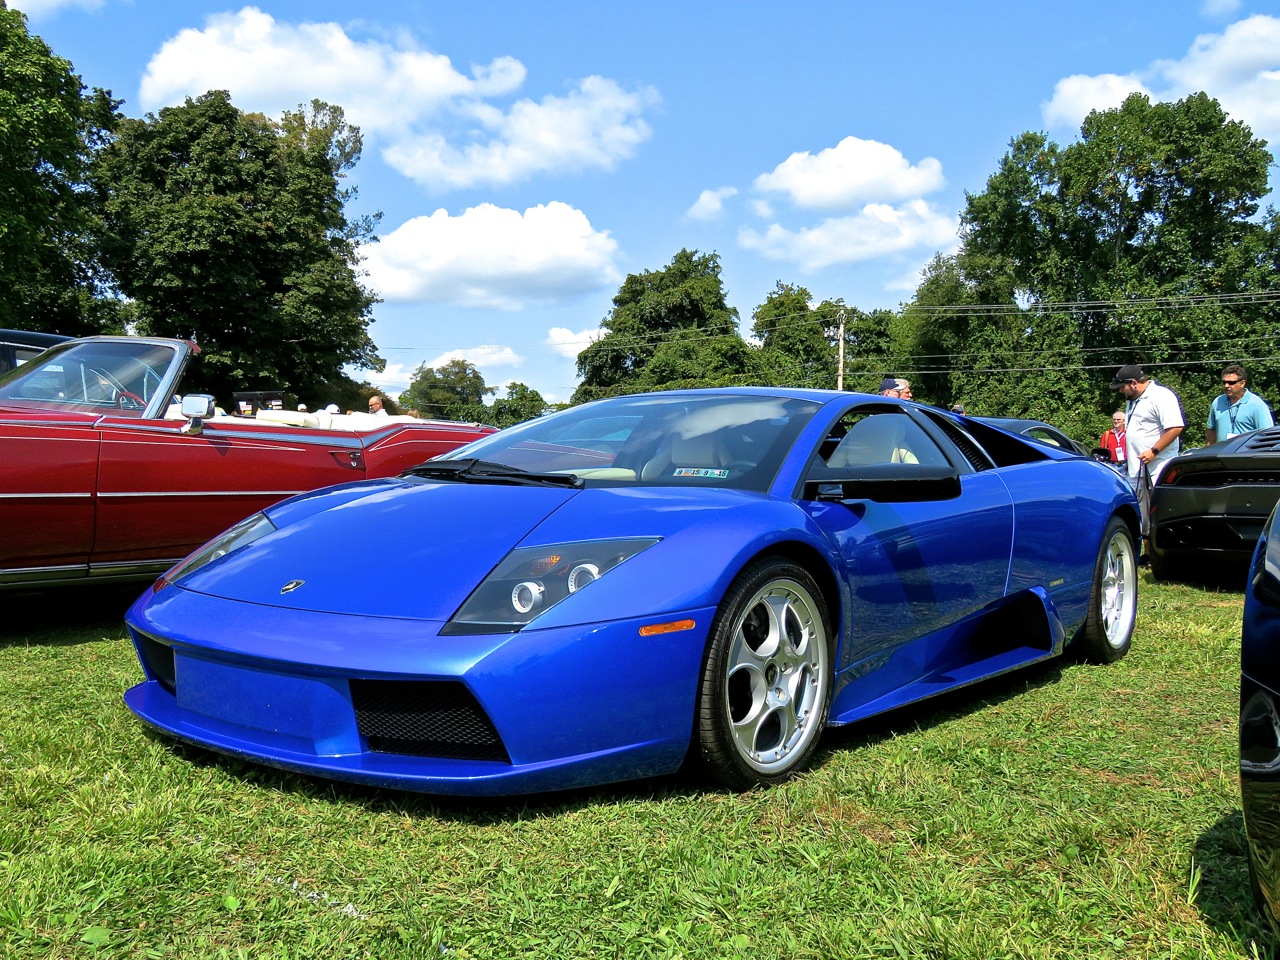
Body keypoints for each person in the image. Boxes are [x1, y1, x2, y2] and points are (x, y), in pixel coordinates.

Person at [1111, 363, 1184, 489]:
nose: (1120, 390)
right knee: (1135, 507)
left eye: (1122, 387)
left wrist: (1153, 451)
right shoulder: (1133, 400)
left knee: (1159, 506)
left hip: (1159, 467)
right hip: (1136, 470)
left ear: (1134, 383)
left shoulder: (1161, 396)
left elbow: (1175, 428)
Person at [1206, 362, 1273, 445]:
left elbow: (1267, 436)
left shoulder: (1257, 405)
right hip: (1221, 454)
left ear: (1242, 383)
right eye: (1224, 382)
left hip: (1245, 455)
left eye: (1231, 383)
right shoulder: (1217, 402)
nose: (1226, 386)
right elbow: (1211, 430)